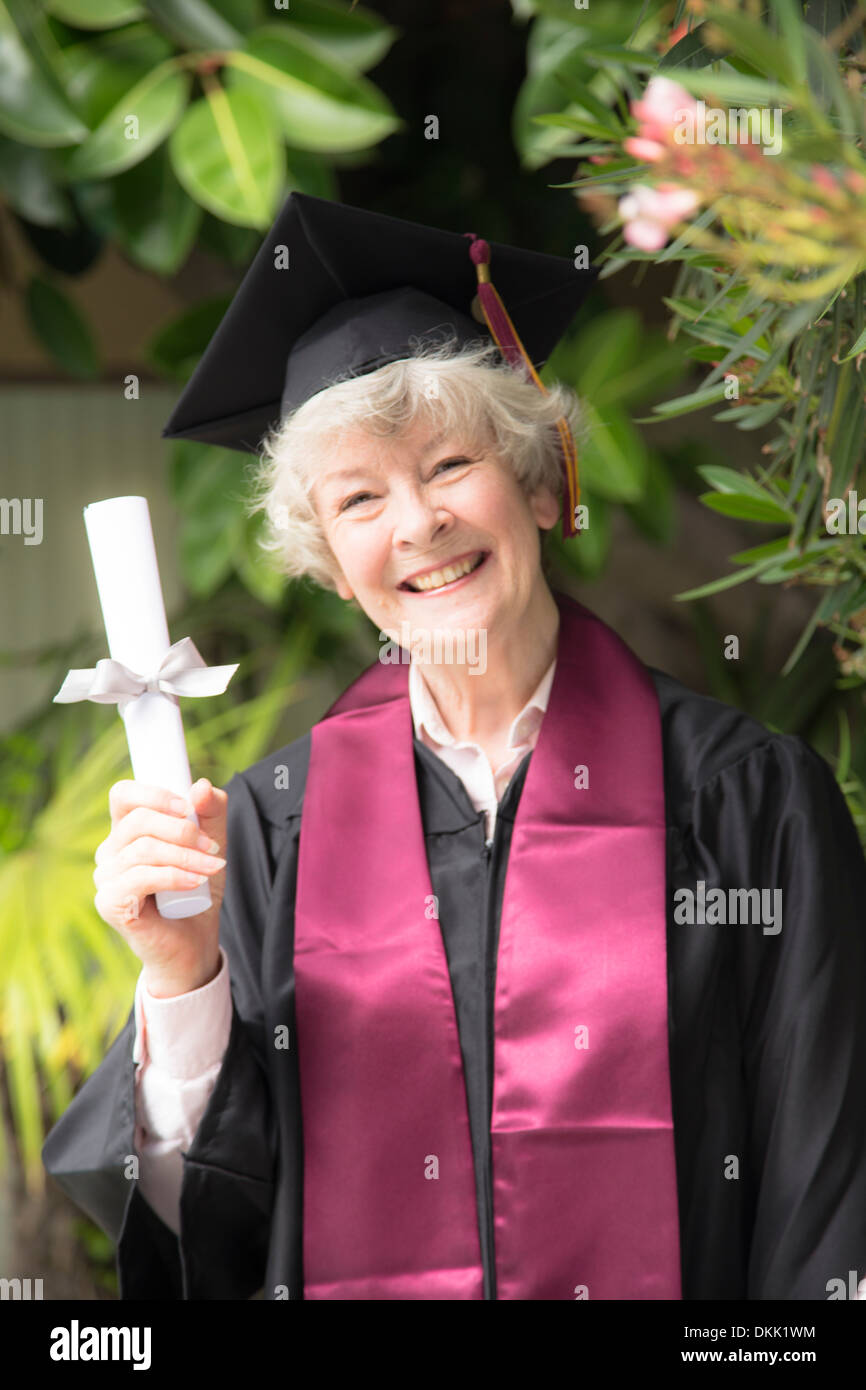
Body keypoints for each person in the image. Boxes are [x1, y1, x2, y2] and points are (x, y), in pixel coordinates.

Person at [43, 194, 866, 1301]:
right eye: (358, 499)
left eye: (446, 466)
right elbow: (208, 1228)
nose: (416, 524)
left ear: (535, 480)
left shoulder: (744, 801)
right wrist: (181, 979)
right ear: (332, 563)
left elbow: (825, 1198)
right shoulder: (264, 830)